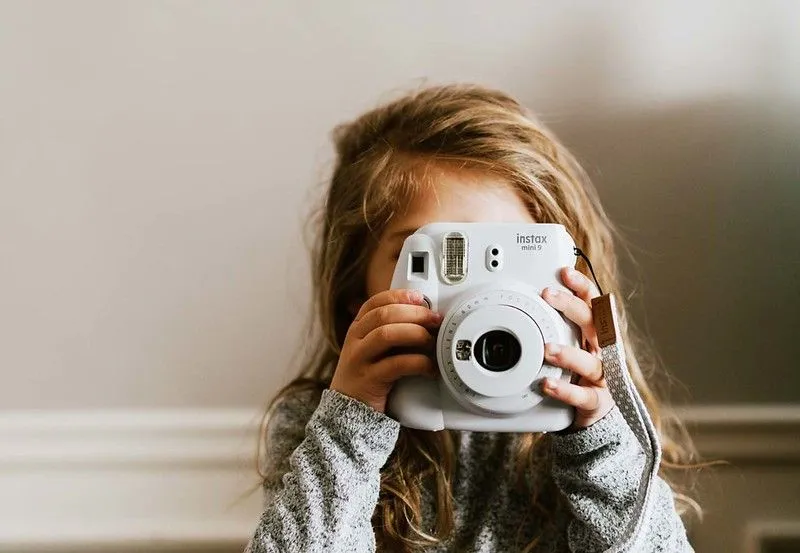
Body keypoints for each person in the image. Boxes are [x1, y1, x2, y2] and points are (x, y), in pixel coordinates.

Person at [246, 84, 698, 552]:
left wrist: (601, 443)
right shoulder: (317, 422)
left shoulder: (592, 425)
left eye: (503, 260)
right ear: (352, 292)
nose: (475, 303)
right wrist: (349, 428)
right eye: (431, 260)